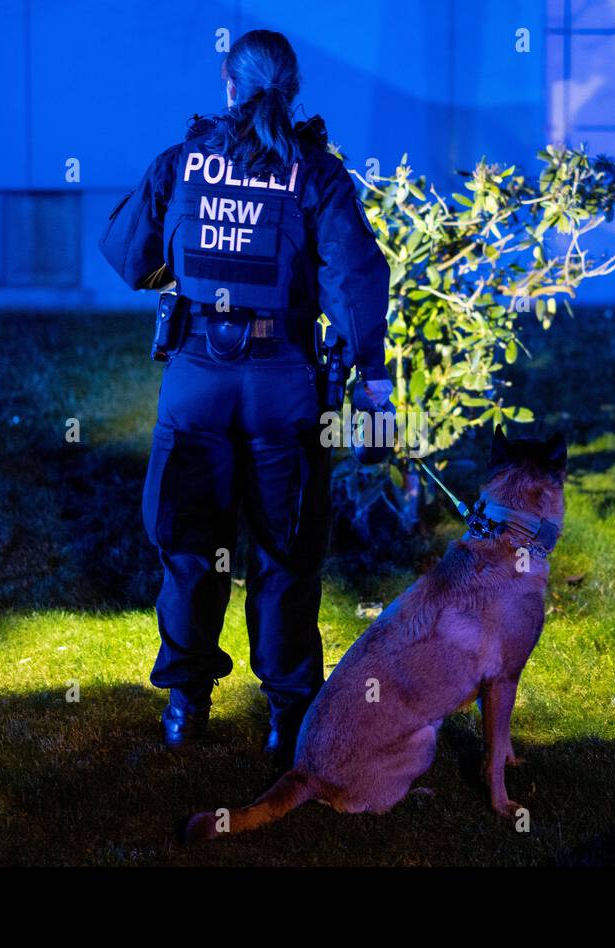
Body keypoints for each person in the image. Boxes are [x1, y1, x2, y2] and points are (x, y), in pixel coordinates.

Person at [103, 30, 393, 764]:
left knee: (190, 548)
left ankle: (185, 704)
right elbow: (357, 280)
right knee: (284, 555)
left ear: (230, 87)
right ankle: (289, 716)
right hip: (281, 383)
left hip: (197, 378)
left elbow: (126, 253)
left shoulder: (184, 161)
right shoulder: (315, 174)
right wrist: (377, 388)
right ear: (292, 92)